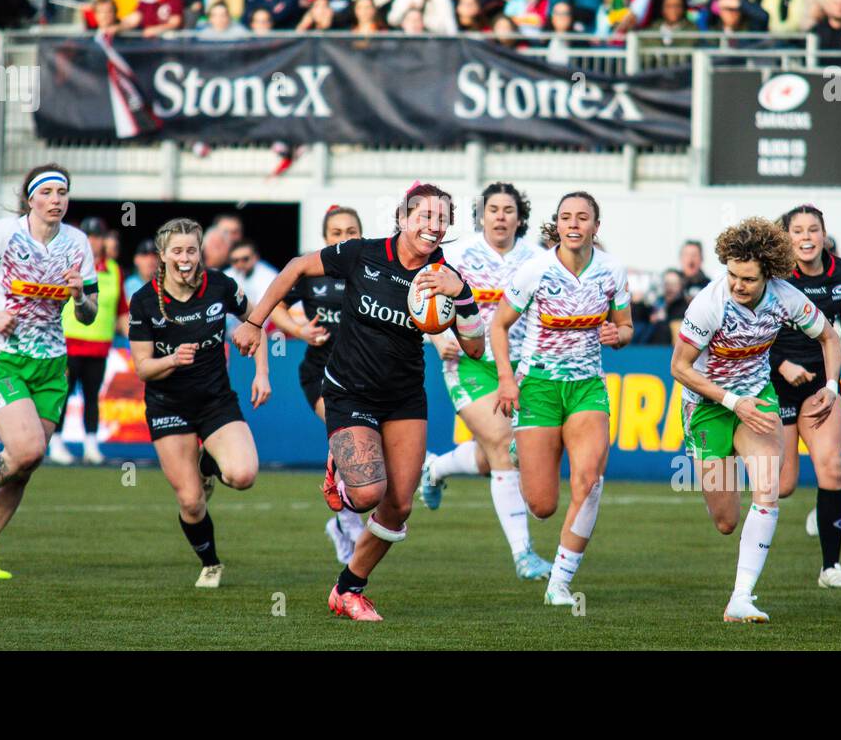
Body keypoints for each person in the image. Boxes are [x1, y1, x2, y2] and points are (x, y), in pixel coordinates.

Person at [231, 182, 487, 621]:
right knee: (368, 493)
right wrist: (255, 322)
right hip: (349, 392)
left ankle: (348, 589)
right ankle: (340, 470)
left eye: (443, 220)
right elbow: (294, 267)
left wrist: (462, 294)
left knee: (401, 505)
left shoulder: (444, 274)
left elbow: (476, 349)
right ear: (403, 218)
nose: (434, 227)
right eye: (425, 217)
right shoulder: (363, 253)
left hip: (404, 397)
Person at [671, 217, 841, 622]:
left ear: (768, 274)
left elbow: (829, 337)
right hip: (709, 406)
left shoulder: (785, 296)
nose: (737, 284)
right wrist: (732, 401)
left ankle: (741, 598)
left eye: (747, 278)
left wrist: (831, 386)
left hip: (757, 402)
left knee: (767, 488)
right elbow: (679, 367)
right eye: (732, 274)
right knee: (726, 521)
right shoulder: (709, 304)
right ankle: (718, 466)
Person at [0, 165, 99, 579]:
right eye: (47, 192)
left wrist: (80, 295)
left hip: (51, 364)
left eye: (62, 192)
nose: (56, 199)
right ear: (30, 200)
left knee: (26, 464)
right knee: (27, 449)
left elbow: (88, 315)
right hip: (3, 358)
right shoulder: (4, 234)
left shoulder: (78, 243)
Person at [492, 192, 633, 606]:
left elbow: (625, 327)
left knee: (589, 482)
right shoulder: (534, 270)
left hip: (588, 386)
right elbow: (498, 326)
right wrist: (506, 379)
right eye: (567, 217)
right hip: (537, 386)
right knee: (542, 505)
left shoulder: (612, 271)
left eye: (583, 217)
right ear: (558, 224)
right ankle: (523, 447)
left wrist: (617, 336)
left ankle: (560, 582)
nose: (574, 224)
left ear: (595, 226)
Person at [419, 182, 553, 580]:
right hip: (469, 362)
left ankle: (437, 468)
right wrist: (438, 335)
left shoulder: (538, 259)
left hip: (521, 368)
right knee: (503, 443)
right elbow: (423, 298)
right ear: (481, 216)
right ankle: (523, 554)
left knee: (499, 452)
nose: (500, 216)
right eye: (493, 209)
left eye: (508, 210)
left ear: (520, 217)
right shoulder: (457, 256)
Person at [128, 218, 270, 588]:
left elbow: (257, 319)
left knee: (243, 476)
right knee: (191, 501)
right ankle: (210, 563)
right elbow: (143, 369)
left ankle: (208, 464)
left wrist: (261, 374)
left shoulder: (220, 285)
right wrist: (173, 359)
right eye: (177, 251)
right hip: (168, 406)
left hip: (215, 402)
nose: (185, 257)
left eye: (192, 249)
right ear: (162, 255)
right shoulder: (144, 300)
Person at [771, 206, 841, 588]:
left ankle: (830, 568)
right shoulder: (774, 275)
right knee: (783, 485)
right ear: (786, 237)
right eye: (798, 230)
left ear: (824, 234)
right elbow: (754, 332)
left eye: (814, 229)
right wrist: (782, 365)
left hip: (821, 384)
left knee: (831, 466)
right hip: (775, 382)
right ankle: (724, 461)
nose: (807, 237)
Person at [268, 206, 367, 564]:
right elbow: (274, 302)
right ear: (326, 239)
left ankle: (343, 524)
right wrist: (297, 330)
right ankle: (347, 519)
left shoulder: (373, 271)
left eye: (351, 231)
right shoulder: (311, 272)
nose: (344, 239)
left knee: (372, 453)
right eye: (336, 233)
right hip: (322, 374)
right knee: (346, 435)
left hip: (366, 377)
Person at [51, 216, 130, 466]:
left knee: (92, 396)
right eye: (89, 236)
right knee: (62, 395)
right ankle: (56, 442)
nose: (93, 241)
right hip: (68, 343)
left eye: (97, 236)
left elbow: (121, 311)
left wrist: (136, 339)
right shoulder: (69, 264)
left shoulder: (114, 270)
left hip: (98, 346)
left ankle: (91, 445)